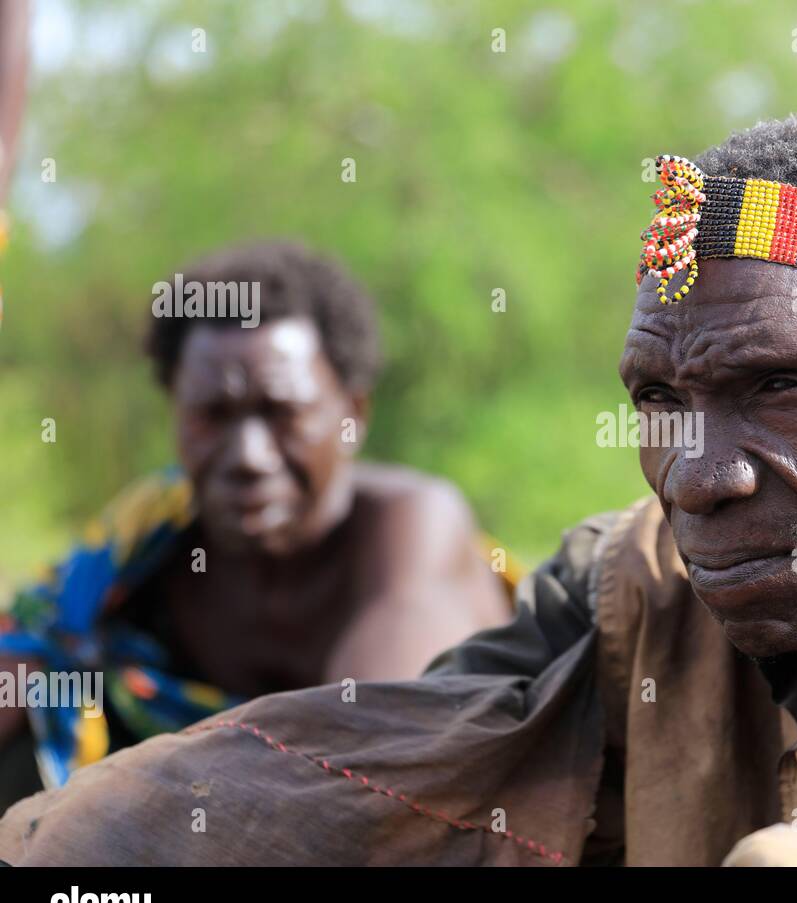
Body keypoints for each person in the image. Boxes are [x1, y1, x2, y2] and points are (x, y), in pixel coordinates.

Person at [2, 117, 797, 866]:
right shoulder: (647, 586)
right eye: (660, 401)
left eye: (782, 388)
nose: (699, 472)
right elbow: (342, 772)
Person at [0, 241, 512, 813]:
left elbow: (368, 761)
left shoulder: (409, 526)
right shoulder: (145, 552)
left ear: (353, 416)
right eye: (211, 416)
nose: (247, 455)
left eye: (282, 412)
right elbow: (33, 646)